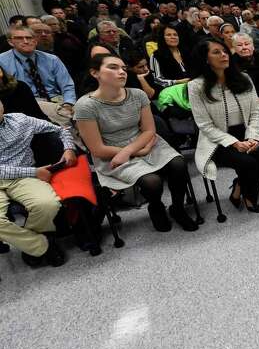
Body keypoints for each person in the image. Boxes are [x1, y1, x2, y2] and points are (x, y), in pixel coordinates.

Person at [74, 53, 198, 232]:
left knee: (178, 164)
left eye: (123, 68)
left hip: (144, 142)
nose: (121, 72)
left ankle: (178, 208)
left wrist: (133, 149)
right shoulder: (85, 105)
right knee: (152, 182)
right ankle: (156, 207)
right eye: (113, 67)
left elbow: (149, 130)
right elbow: (97, 149)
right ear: (95, 73)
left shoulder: (137, 94)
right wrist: (130, 152)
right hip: (112, 152)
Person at [188, 39, 259, 213]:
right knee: (248, 163)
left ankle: (240, 187)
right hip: (218, 139)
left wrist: (252, 136)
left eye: (225, 51)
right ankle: (250, 197)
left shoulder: (243, 78)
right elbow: (204, 125)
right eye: (216, 52)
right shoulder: (195, 86)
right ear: (205, 59)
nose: (224, 55)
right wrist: (234, 143)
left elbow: (256, 113)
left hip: (247, 131)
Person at [0, 99, 75, 267]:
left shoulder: (20, 120)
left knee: (48, 204)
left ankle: (33, 245)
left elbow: (60, 129)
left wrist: (69, 148)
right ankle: (42, 245)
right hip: (28, 172)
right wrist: (35, 172)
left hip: (23, 177)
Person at [0, 25, 76, 126]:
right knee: (63, 119)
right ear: (10, 42)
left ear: (35, 40)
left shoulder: (52, 59)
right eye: (19, 38)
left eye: (29, 38)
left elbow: (67, 85)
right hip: (27, 104)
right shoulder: (2, 61)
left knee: (84, 112)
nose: (26, 41)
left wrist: (69, 103)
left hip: (58, 99)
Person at [232, 32, 259, 97]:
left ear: (253, 46)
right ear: (234, 49)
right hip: (247, 97)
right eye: (239, 45)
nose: (244, 47)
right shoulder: (231, 64)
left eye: (247, 44)